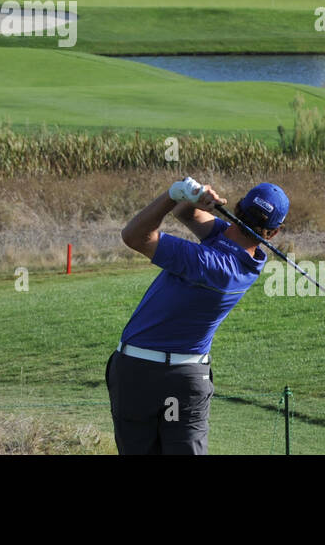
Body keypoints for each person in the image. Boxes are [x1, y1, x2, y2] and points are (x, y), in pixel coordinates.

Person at [108, 177, 289, 455]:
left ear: (238, 205)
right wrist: (194, 198)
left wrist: (172, 193)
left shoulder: (215, 264)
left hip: (138, 374)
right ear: (273, 233)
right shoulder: (241, 255)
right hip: (184, 377)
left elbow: (135, 236)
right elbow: (185, 213)